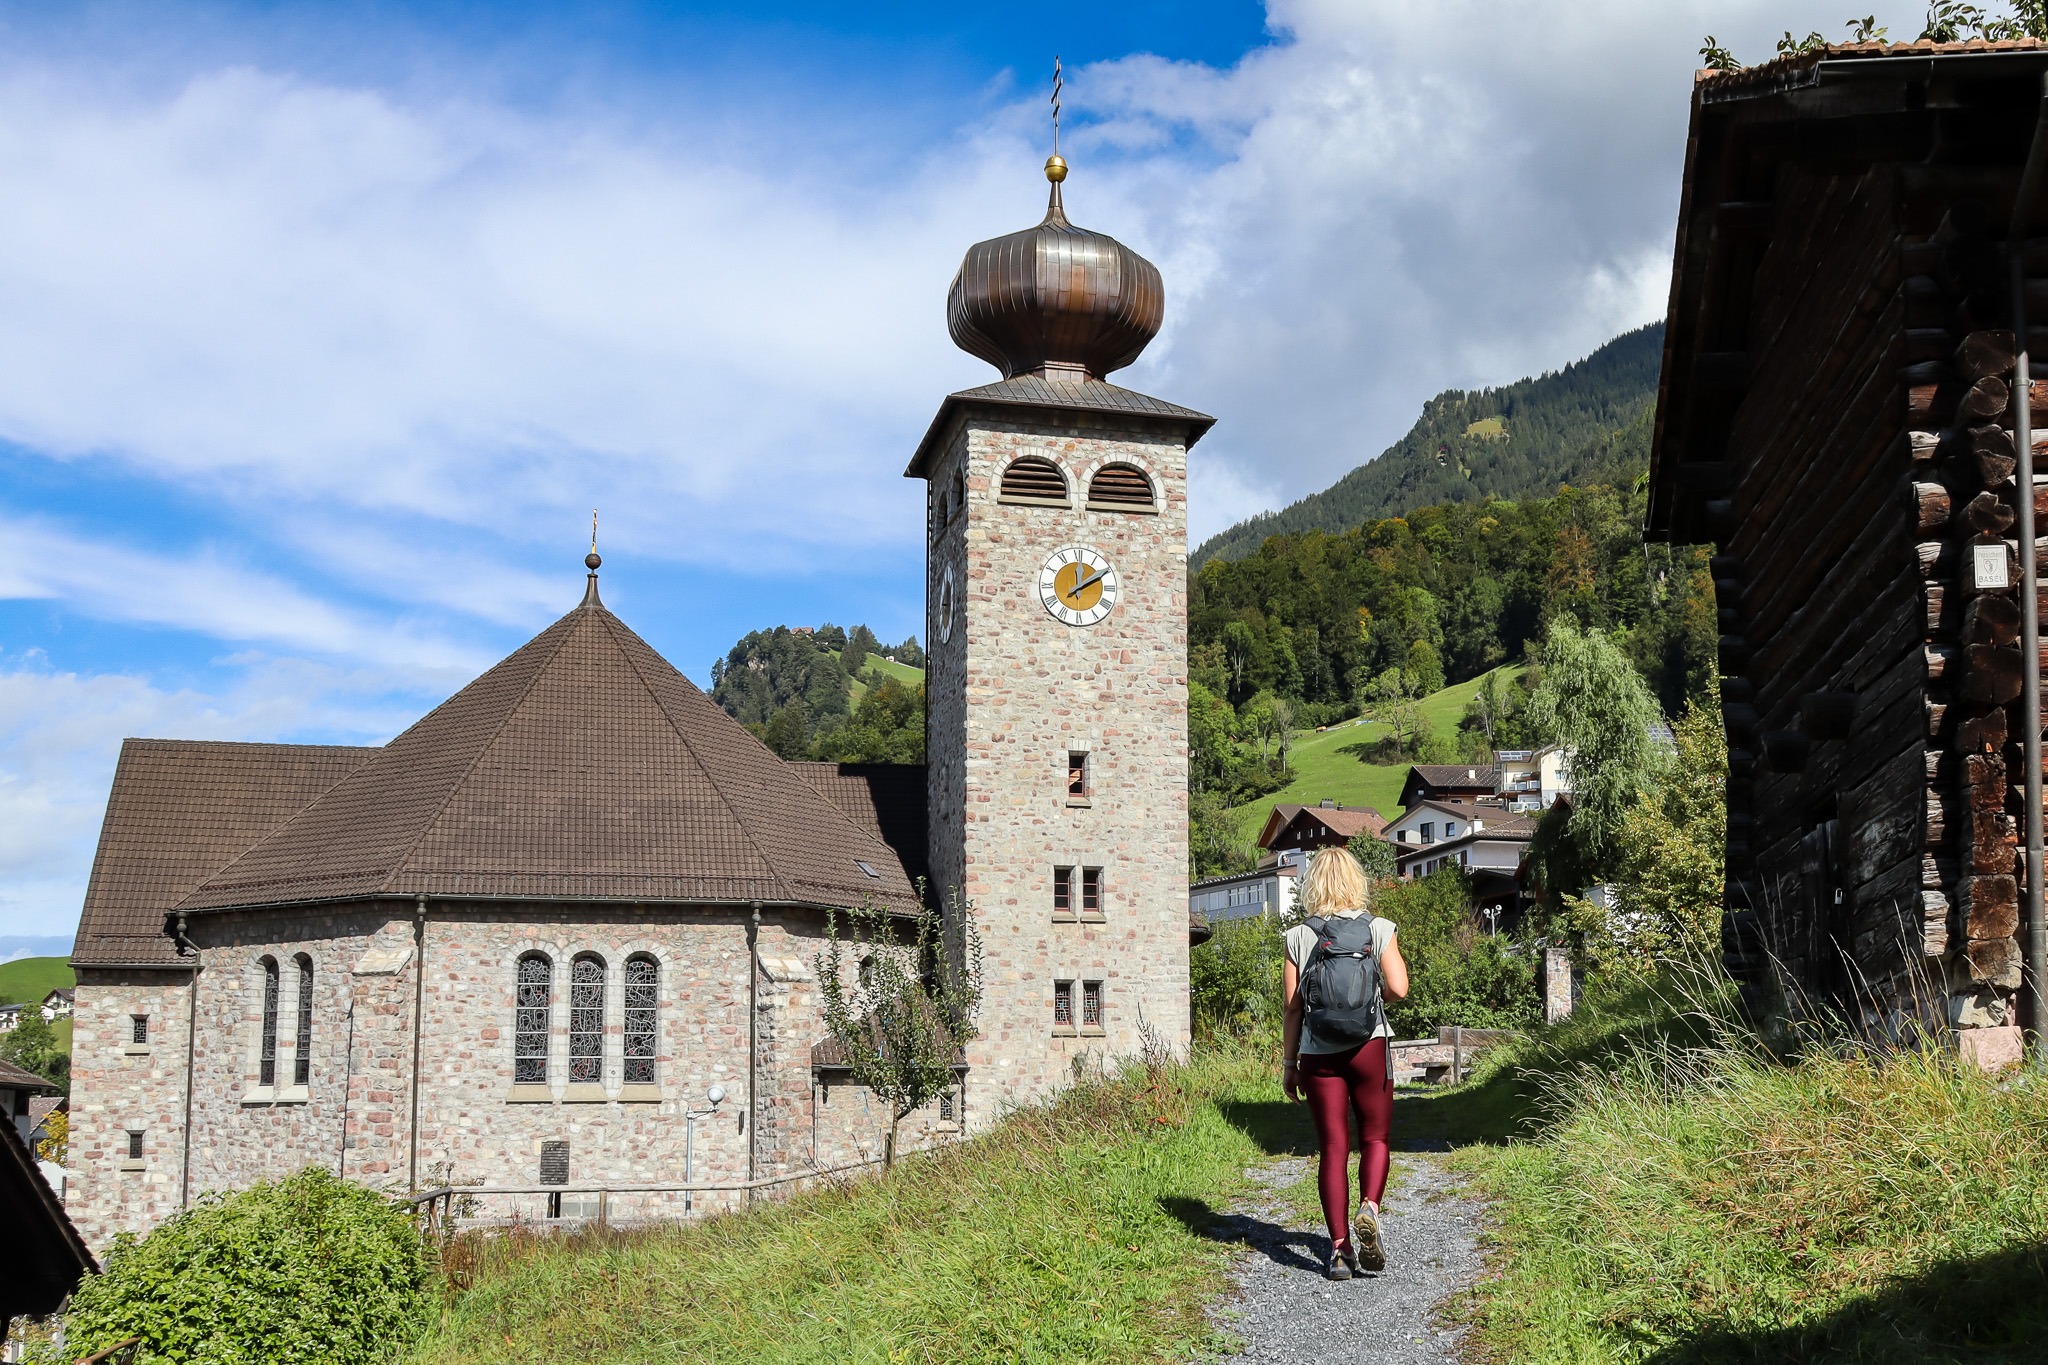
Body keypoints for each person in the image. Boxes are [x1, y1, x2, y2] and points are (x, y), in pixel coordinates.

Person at [1282, 845, 1409, 1279]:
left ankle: (1339, 1251)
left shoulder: (1300, 936)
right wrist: (1372, 999)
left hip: (1319, 1052)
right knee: (1375, 1138)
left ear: (1313, 885)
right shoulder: (1378, 929)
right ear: (1357, 882)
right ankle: (1369, 1206)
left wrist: (1288, 1063)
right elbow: (1400, 987)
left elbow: (1292, 1007)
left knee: (1333, 1148)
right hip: (1369, 1044)